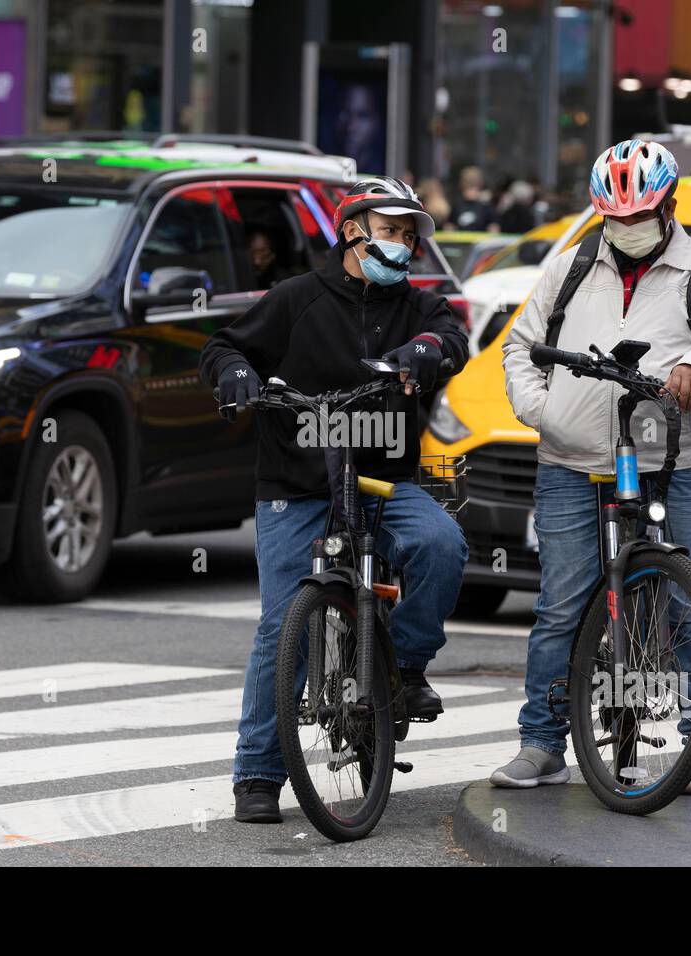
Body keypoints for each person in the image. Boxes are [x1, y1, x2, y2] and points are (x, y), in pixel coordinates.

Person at [199, 177, 470, 824]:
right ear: (352, 230)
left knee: (442, 544)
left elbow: (453, 340)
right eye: (391, 231)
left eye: (410, 236)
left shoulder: (419, 307)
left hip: (382, 481)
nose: (403, 245)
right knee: (281, 625)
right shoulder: (295, 299)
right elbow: (223, 345)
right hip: (296, 487)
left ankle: (400, 669)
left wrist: (427, 351)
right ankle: (258, 773)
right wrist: (236, 374)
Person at [497, 139, 691, 795]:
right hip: (569, 463)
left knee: (682, 607)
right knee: (560, 607)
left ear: (670, 205)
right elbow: (521, 347)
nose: (627, 229)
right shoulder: (574, 264)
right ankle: (541, 743)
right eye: (615, 217)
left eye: (639, 215)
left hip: (670, 466)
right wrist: (541, 410)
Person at [451, 166, 497, 232]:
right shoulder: (457, 205)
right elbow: (449, 227)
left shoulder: (486, 206)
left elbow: (494, 229)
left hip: (479, 241)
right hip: (461, 241)